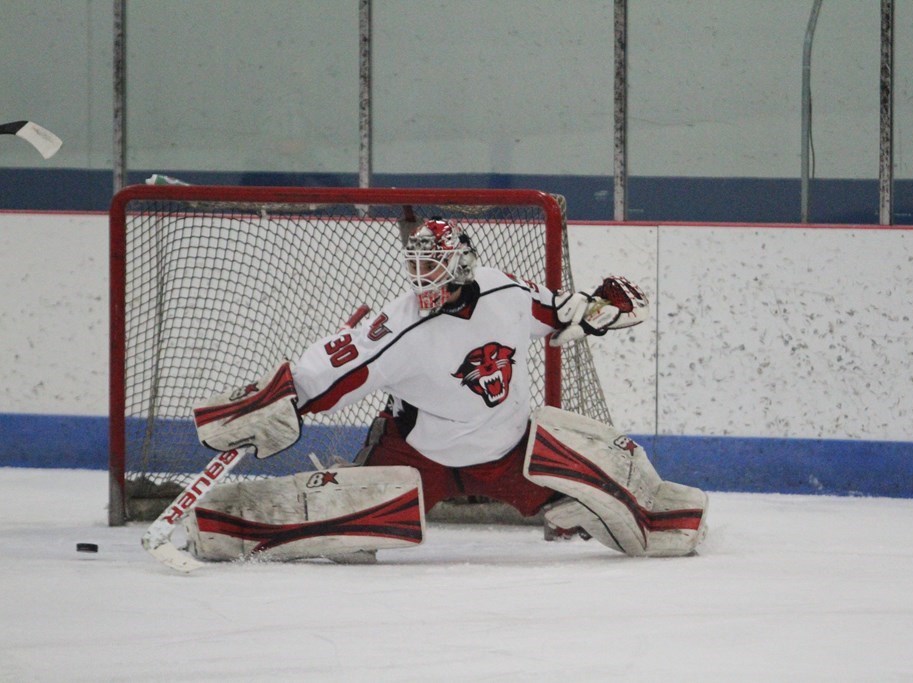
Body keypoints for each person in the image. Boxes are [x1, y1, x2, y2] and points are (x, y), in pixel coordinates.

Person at [190, 216, 707, 561]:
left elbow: (557, 315)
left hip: (509, 450)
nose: (422, 277)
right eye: (415, 265)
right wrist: (279, 400)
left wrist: (599, 311)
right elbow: (331, 369)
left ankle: (637, 506)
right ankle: (227, 522)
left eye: (432, 265)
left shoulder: (504, 289)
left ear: (461, 265)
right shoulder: (398, 328)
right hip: (419, 454)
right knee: (347, 527)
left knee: (627, 501)